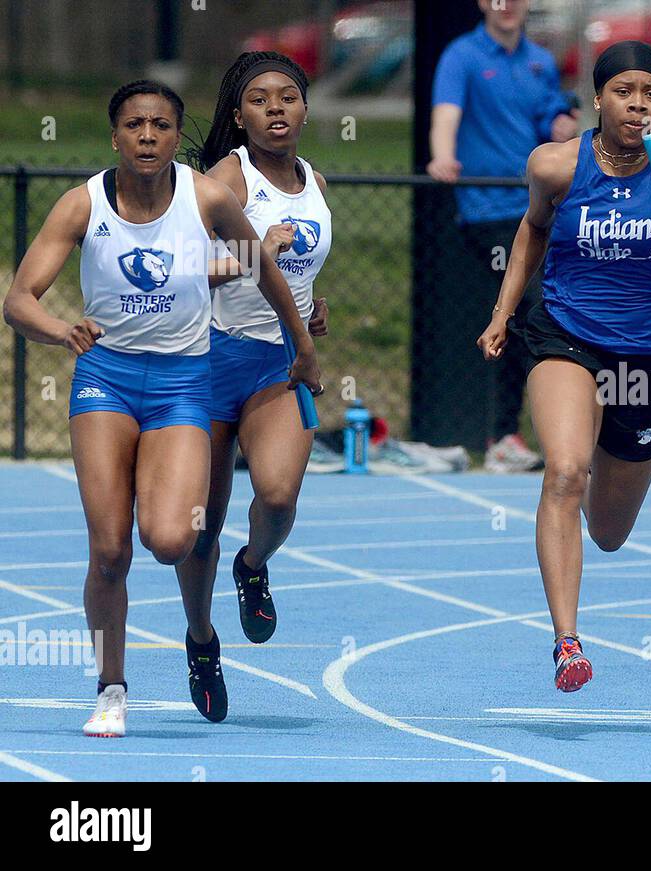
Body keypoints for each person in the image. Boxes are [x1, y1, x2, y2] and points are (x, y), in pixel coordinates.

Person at [1, 81, 320, 736]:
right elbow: (19, 298)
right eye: (135, 125)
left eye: (161, 126)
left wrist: (304, 343)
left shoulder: (206, 197)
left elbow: (261, 266)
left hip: (181, 384)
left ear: (178, 137)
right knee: (111, 547)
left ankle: (200, 626)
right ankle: (112, 686)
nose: (147, 136)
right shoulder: (81, 205)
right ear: (114, 135)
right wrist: (62, 329)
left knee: (171, 537)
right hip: (106, 382)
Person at [476, 41, 651, 693]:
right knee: (565, 470)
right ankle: (567, 642)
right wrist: (502, 311)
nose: (638, 105)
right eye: (624, 92)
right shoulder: (554, 165)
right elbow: (531, 232)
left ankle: (606, 443)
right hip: (566, 335)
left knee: (607, 530)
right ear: (598, 99)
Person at [173, 51, 333, 725]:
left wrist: (311, 307)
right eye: (261, 99)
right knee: (197, 524)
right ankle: (203, 641)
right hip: (208, 356)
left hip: (277, 362)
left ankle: (254, 562)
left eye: (288, 97)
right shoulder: (225, 178)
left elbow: (302, 268)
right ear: (239, 115)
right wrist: (253, 247)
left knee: (277, 493)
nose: (276, 108)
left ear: (303, 108)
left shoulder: (315, 181)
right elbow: (179, 272)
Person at [430, 0, 578, 472]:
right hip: (488, 210)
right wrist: (442, 155)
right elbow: (446, 115)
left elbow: (551, 124)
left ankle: (520, 436)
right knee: (524, 311)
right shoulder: (461, 55)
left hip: (538, 209)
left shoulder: (541, 60)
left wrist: (561, 125)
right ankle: (506, 436)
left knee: (529, 313)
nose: (507, 5)